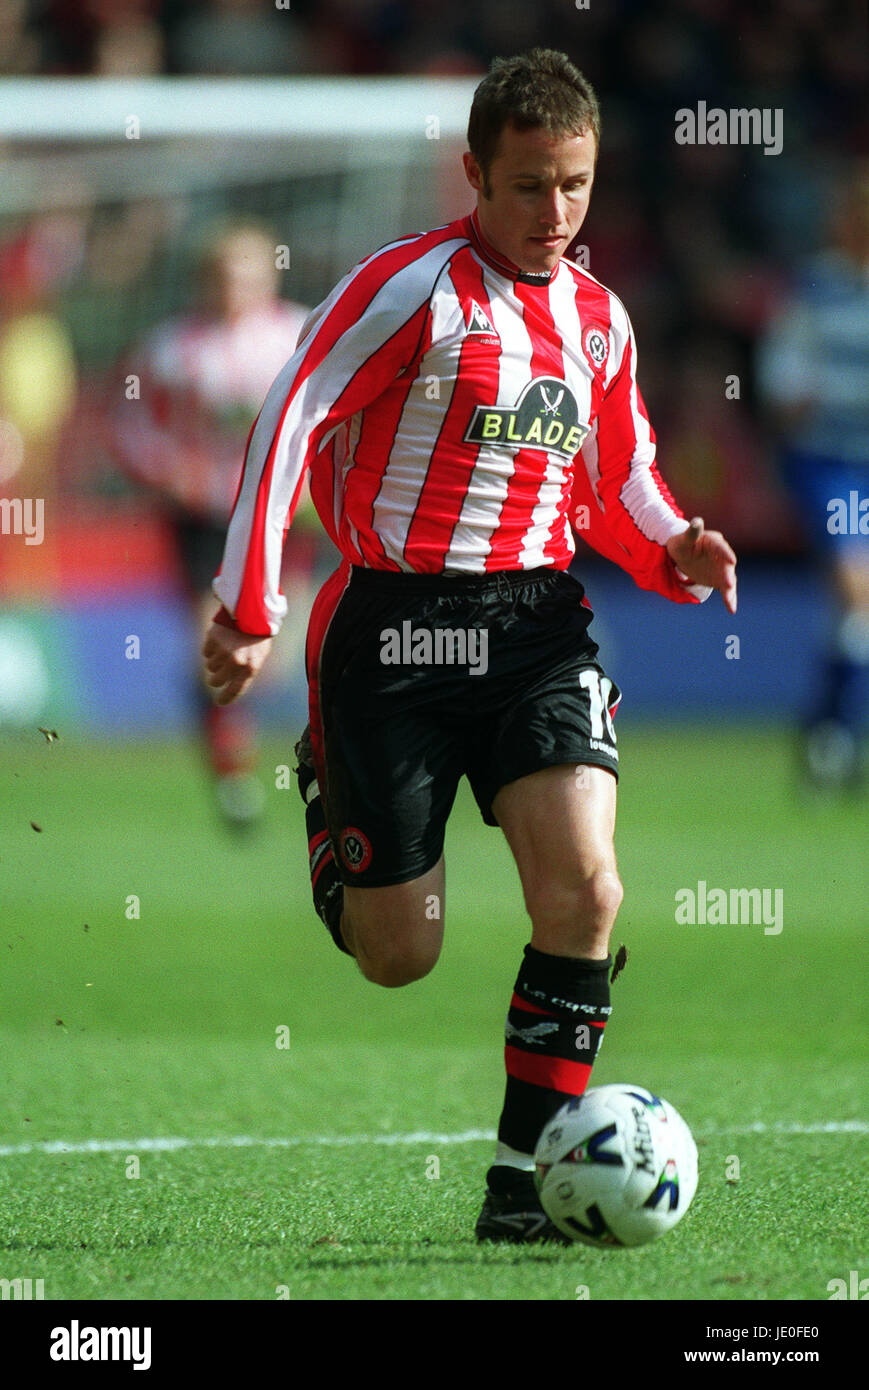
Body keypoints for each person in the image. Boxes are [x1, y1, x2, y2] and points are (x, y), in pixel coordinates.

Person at [202, 49, 737, 1241]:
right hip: (390, 631)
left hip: (537, 629)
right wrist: (248, 608)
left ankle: (514, 1187)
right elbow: (288, 417)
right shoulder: (410, 290)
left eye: (575, 187)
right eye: (528, 187)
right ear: (474, 176)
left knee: (585, 890)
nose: (554, 215)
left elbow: (619, 477)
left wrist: (675, 546)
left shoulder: (597, 320)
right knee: (399, 956)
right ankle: (329, 789)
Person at [110, 220, 314, 827]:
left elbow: (333, 413)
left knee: (272, 657)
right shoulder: (171, 349)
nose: (237, 287)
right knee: (215, 647)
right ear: (206, 280)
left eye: (249, 273)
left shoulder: (298, 333)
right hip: (204, 519)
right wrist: (173, 472)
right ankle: (231, 772)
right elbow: (129, 427)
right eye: (226, 275)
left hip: (283, 516)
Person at [757, 163, 869, 792]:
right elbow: (784, 384)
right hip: (832, 464)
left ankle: (824, 731)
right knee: (857, 594)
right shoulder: (814, 290)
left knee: (854, 615)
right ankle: (841, 736)